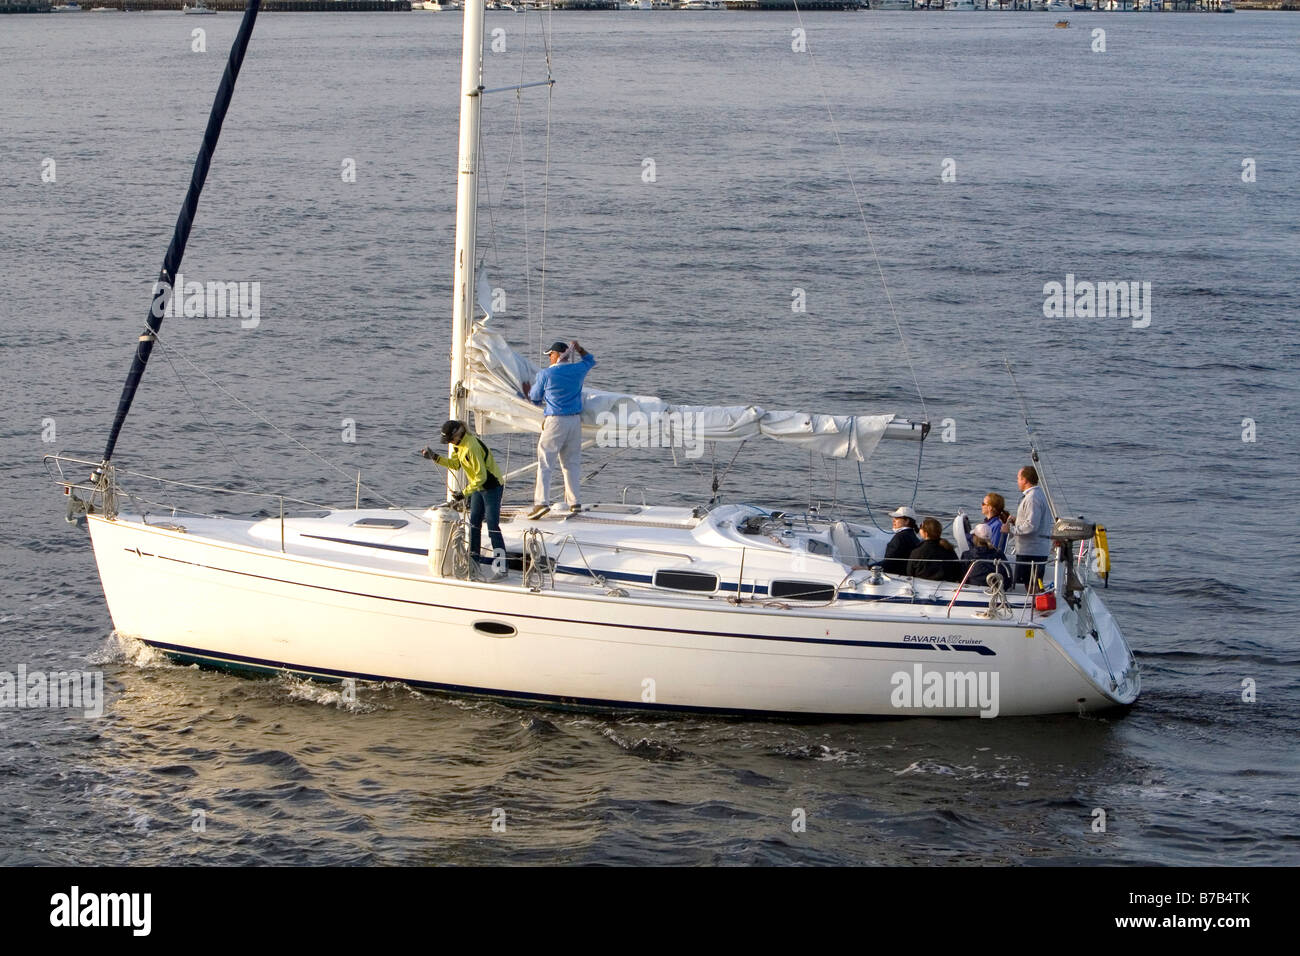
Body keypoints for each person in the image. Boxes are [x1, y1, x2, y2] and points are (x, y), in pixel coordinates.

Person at [421, 419, 507, 580]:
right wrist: (435, 457)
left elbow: (481, 476)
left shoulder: (471, 447)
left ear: (458, 434)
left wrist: (463, 493)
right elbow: (455, 464)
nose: (450, 443)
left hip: (491, 487)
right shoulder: (457, 445)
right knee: (474, 524)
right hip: (477, 488)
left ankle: (502, 567)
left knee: (492, 525)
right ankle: (473, 562)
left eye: (450, 439)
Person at [524, 339, 596, 519]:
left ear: (556, 355)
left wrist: (527, 391)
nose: (549, 358)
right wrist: (579, 348)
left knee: (545, 461)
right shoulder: (577, 370)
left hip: (555, 420)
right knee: (571, 463)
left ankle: (541, 503)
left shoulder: (545, 374)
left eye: (550, 355)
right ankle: (575, 502)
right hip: (574, 421)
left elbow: (535, 398)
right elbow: (590, 361)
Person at [1003, 465, 1052, 591]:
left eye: (1019, 478)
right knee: (1031, 583)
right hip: (1035, 549)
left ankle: (1038, 606)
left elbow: (1031, 525)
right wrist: (1017, 521)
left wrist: (1011, 530)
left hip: (1031, 551)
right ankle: (1038, 604)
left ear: (1025, 480)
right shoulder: (1037, 495)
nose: (1017, 481)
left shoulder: (1032, 498)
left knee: (1031, 584)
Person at [907, 517, 961, 582]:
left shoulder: (917, 551)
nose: (919, 529)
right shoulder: (948, 548)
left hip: (922, 585)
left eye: (921, 528)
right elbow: (957, 571)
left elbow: (910, 573)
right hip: (947, 585)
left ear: (926, 533)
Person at [960, 523, 1011, 587]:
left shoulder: (967, 555)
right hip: (996, 588)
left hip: (974, 590)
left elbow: (961, 577)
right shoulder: (999, 554)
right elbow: (1008, 577)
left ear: (975, 537)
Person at [883, 506, 921, 576]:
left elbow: (889, 563)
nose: (893, 520)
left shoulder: (900, 537)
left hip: (896, 575)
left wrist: (868, 567)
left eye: (897, 518)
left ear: (907, 521)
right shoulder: (912, 536)